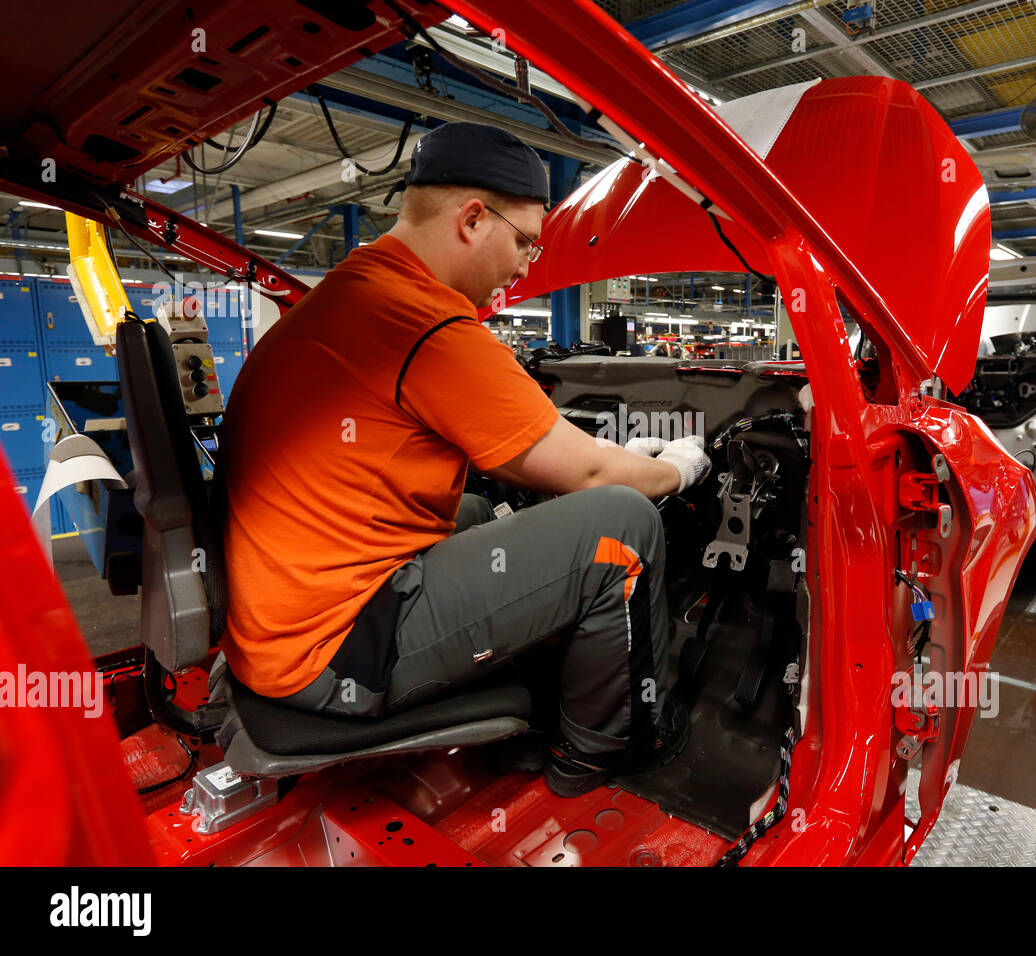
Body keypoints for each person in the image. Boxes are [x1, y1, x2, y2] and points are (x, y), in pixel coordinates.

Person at [218, 122, 712, 797]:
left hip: (274, 626)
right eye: (524, 243)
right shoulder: (428, 324)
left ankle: (548, 670)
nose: (523, 266)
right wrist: (679, 470)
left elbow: (532, 439)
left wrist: (604, 454)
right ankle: (604, 751)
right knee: (620, 526)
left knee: (483, 506)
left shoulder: (344, 297)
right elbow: (593, 477)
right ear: (474, 219)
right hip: (334, 655)